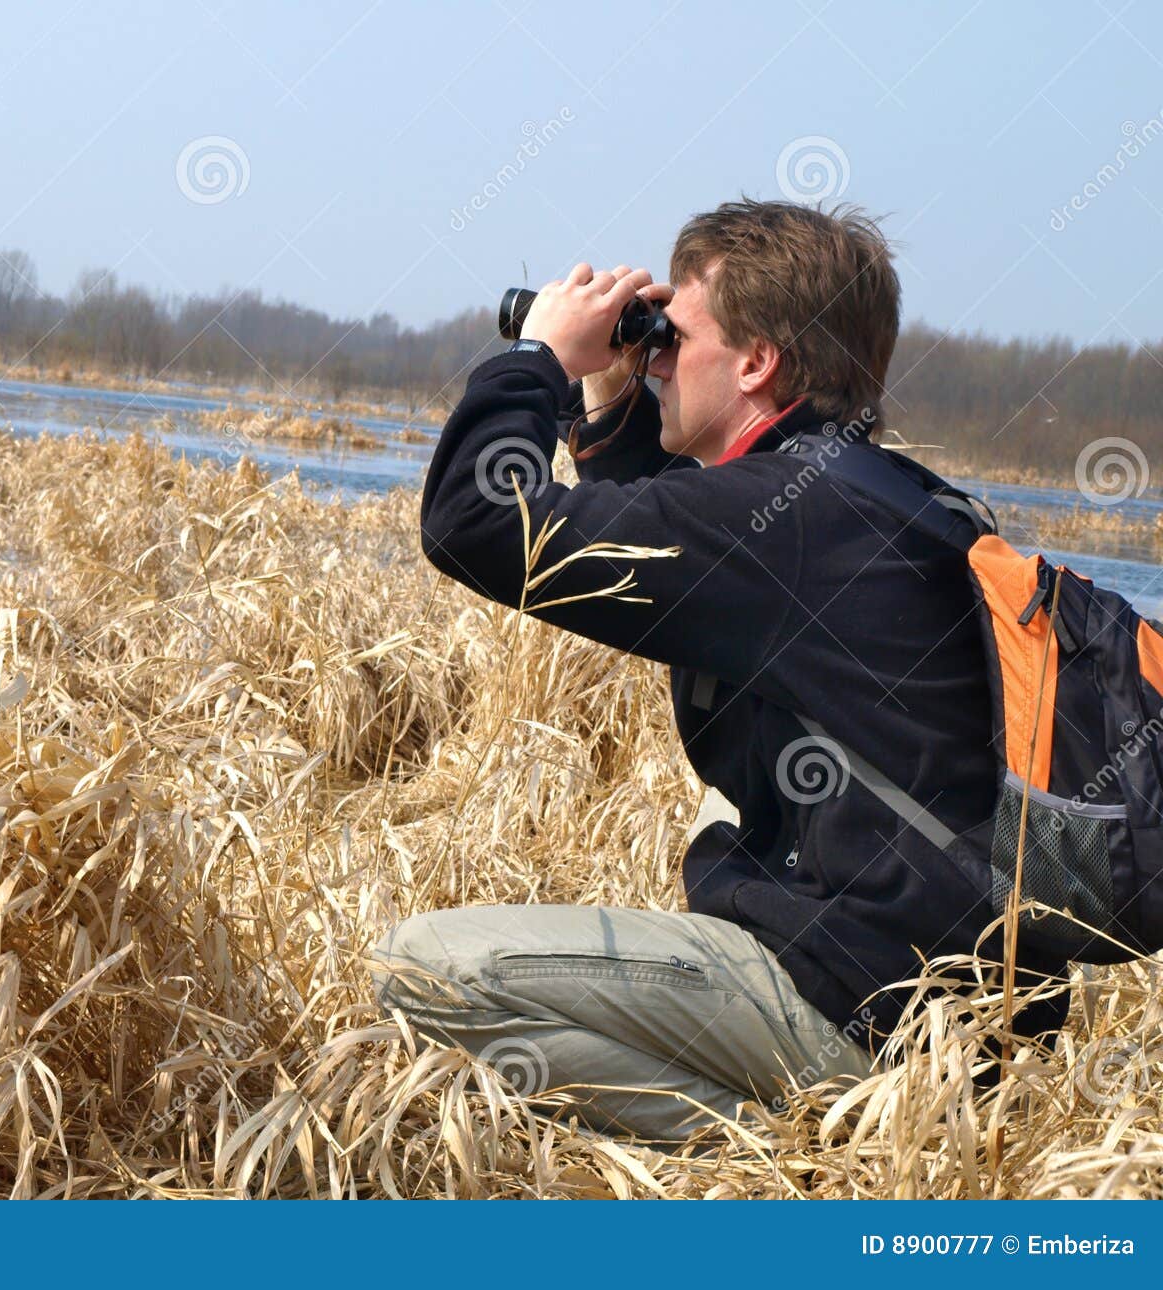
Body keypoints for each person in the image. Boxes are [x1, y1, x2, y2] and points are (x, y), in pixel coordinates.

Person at [370, 199, 1069, 1146]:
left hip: (881, 1026)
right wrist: (618, 398)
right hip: (962, 1010)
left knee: (424, 966)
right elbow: (674, 560)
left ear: (756, 361)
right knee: (726, 810)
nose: (654, 353)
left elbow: (478, 523)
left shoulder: (784, 519)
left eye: (671, 336)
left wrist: (536, 360)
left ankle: (784, 1150)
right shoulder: (860, 492)